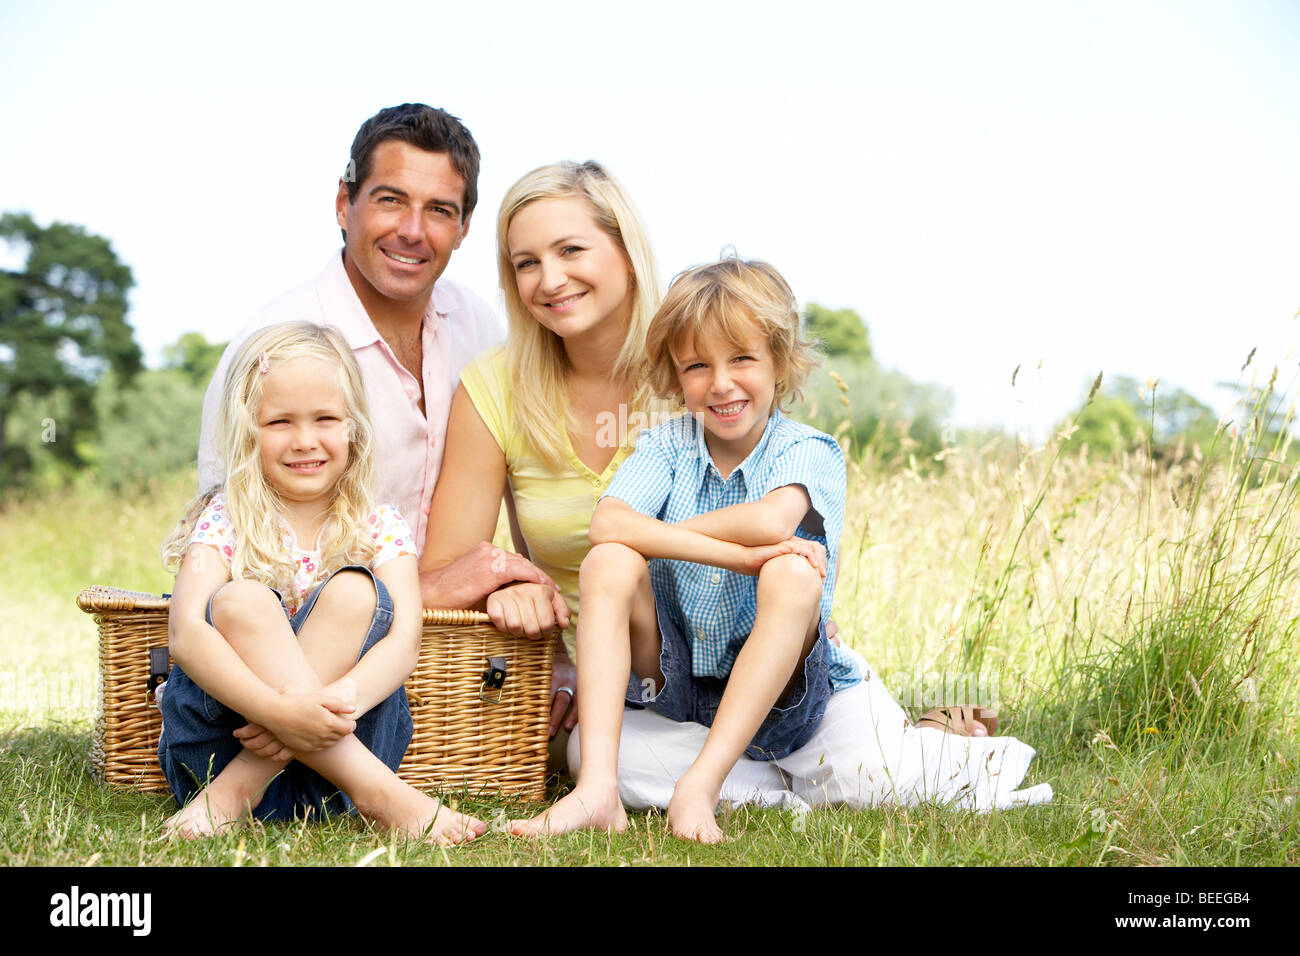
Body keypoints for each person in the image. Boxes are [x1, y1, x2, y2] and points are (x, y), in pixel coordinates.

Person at [510, 257, 1051, 843]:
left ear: (779, 361)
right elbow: (608, 524)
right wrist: (736, 555)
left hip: (800, 707)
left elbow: (771, 521)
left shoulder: (808, 449)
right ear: (674, 374)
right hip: (685, 692)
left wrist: (671, 534)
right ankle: (600, 794)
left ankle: (919, 733)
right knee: (607, 579)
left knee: (794, 578)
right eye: (697, 365)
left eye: (742, 358)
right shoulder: (665, 446)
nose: (721, 383)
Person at [198, 103, 553, 611]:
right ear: (345, 203)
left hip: (454, 662)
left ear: (464, 226)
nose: (412, 230)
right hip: (318, 671)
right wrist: (428, 594)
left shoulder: (479, 327)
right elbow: (228, 579)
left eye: (439, 210)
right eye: (391, 200)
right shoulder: (272, 345)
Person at [159, 322, 487, 845]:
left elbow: (405, 643)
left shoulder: (378, 527)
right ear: (249, 431)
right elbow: (186, 636)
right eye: (280, 421)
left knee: (356, 593)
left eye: (325, 419)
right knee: (241, 599)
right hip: (213, 760)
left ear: (353, 426)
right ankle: (374, 793)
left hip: (336, 770)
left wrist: (319, 715)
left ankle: (320, 786)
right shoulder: (226, 518)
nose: (305, 440)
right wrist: (279, 714)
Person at [420, 160, 669, 738]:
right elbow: (448, 571)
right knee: (594, 758)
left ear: (626, 250)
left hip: (720, 660)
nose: (549, 280)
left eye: (571, 250)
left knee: (895, 776)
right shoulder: (495, 386)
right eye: (526, 263)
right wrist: (519, 592)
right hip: (589, 692)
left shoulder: (698, 361)